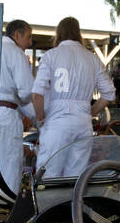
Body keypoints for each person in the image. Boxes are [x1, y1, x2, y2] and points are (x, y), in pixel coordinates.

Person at [30, 16, 114, 178]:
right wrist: (91, 112)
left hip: (56, 122)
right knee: (75, 177)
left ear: (59, 33)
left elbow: (37, 94)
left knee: (49, 175)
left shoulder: (51, 56)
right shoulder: (92, 58)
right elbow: (109, 93)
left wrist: (40, 119)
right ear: (78, 33)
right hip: (83, 123)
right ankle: (70, 204)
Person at [0, 18, 35, 190]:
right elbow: (26, 92)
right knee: (10, 163)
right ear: (16, 34)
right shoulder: (15, 52)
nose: (30, 42)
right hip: (7, 115)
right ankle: (10, 207)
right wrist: (38, 117)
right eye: (28, 37)